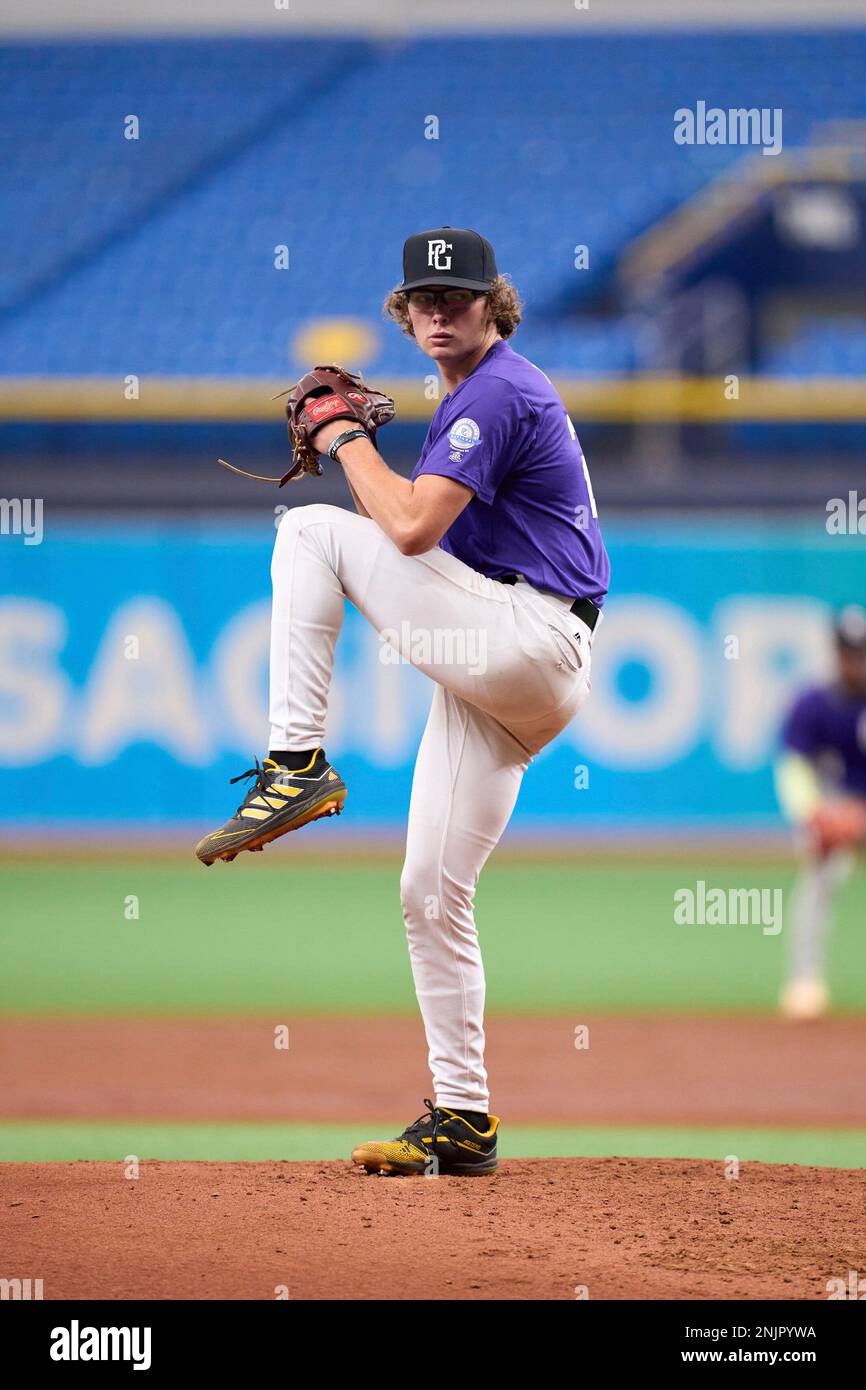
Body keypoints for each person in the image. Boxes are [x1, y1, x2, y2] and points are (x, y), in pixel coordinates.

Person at [196, 226, 610, 1173]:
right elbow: (420, 543)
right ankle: (465, 1117)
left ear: (492, 304)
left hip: (529, 639)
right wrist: (368, 459)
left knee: (307, 531)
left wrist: (344, 439)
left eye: (457, 297)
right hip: (517, 675)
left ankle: (296, 763)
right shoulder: (472, 401)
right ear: (404, 310)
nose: (439, 311)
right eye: (424, 298)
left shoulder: (497, 390)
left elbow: (414, 530)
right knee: (429, 891)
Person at [775, 605, 866, 1020]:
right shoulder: (813, 703)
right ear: (835, 653)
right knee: (821, 871)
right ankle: (805, 980)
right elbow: (793, 768)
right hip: (831, 807)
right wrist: (814, 814)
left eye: (860, 653)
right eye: (848, 652)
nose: (854, 661)